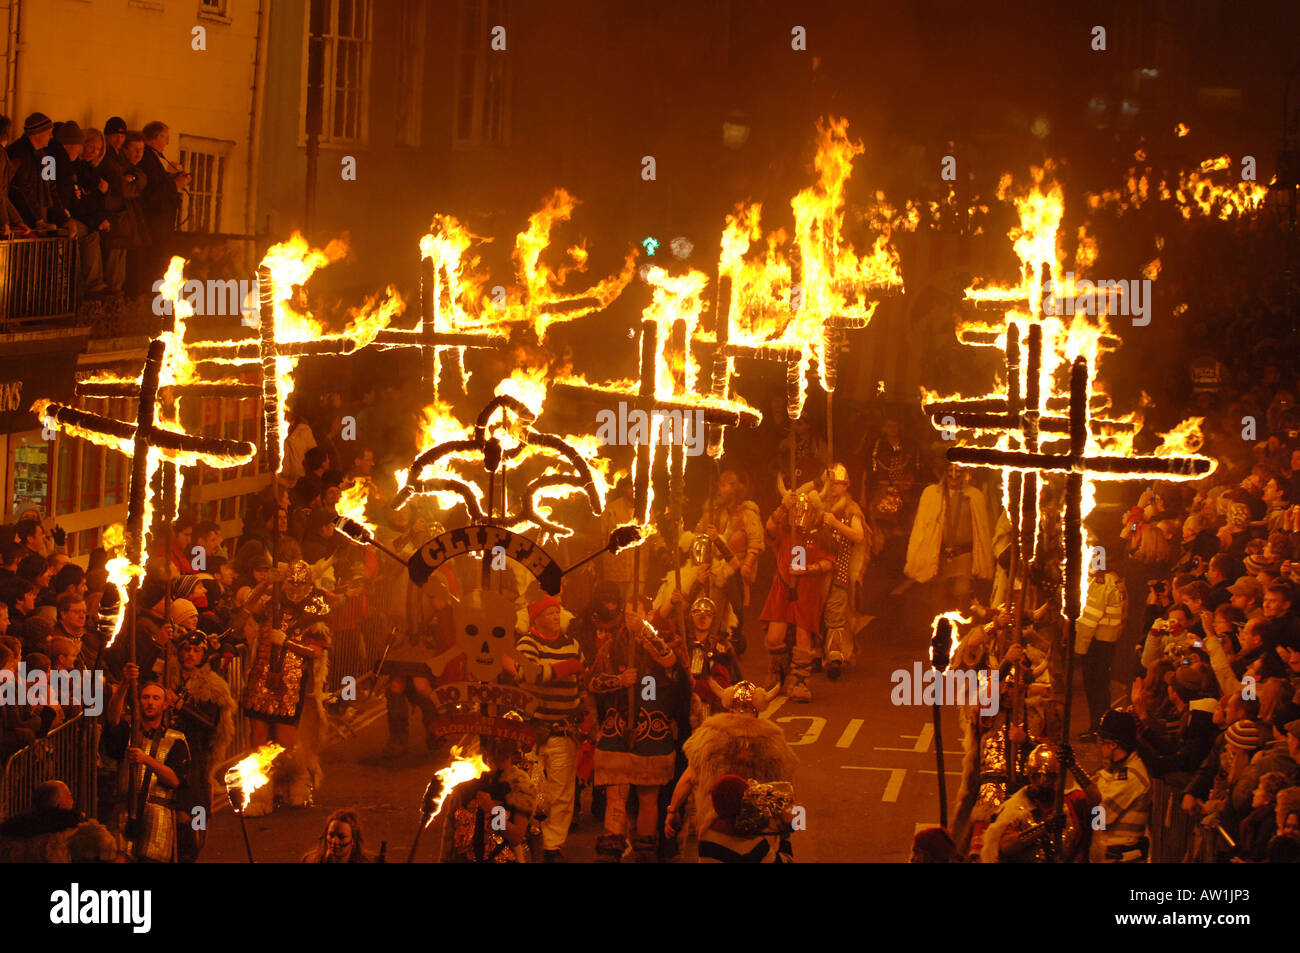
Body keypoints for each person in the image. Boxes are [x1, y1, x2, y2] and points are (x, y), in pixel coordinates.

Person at [588, 599, 681, 862]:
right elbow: (592, 682)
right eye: (628, 612)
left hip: (653, 729)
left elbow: (670, 661)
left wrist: (645, 632)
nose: (632, 617)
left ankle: (645, 853)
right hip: (619, 729)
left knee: (648, 796)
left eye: (637, 612)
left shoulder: (663, 639)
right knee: (616, 794)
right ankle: (610, 850)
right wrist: (619, 680)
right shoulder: (611, 648)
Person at [668, 681, 798, 863]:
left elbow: (688, 779)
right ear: (757, 710)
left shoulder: (709, 736)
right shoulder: (775, 742)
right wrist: (789, 829)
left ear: (730, 708)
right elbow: (786, 789)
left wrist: (672, 810)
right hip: (757, 831)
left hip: (714, 828)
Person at [240, 561, 331, 815]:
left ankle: (296, 781)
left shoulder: (316, 608)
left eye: (301, 583)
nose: (295, 589)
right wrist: (266, 582)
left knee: (285, 742)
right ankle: (261, 792)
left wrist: (288, 642)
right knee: (258, 739)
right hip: (261, 675)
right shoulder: (272, 601)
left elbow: (315, 651)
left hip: (291, 680)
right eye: (291, 582)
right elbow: (248, 604)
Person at [513, 595, 585, 862]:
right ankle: (528, 835)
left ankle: (553, 844)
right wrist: (565, 668)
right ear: (538, 618)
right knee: (530, 788)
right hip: (533, 729)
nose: (556, 616)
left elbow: (582, 676)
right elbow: (528, 673)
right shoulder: (527, 643)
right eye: (551, 612)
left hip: (563, 728)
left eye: (558, 612)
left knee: (561, 792)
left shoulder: (573, 645)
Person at [103, 671, 190, 863]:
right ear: (138, 701)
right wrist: (125, 682)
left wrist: (146, 759)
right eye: (145, 697)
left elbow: (175, 780)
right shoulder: (128, 731)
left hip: (158, 814)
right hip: (124, 809)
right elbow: (112, 720)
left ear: (165, 704)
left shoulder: (176, 740)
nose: (150, 702)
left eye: (156, 698)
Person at [169, 629, 235, 862]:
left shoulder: (213, 686)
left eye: (196, 650)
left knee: (195, 809)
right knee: (174, 811)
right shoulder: (167, 677)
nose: (190, 654)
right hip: (168, 752)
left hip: (196, 754)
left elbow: (210, 724)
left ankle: (193, 852)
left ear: (204, 654)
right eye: (186, 649)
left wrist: (180, 706)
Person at [760, 492, 832, 702]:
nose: (801, 513)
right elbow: (769, 527)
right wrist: (783, 506)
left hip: (807, 591)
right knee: (773, 638)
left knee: (802, 636)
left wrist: (807, 569)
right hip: (782, 590)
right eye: (797, 508)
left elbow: (829, 563)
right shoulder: (785, 531)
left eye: (806, 508)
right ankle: (778, 672)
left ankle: (800, 681)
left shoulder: (820, 535)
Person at [905, 460, 993, 624]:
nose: (953, 476)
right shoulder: (932, 494)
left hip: (964, 556)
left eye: (958, 472)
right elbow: (922, 527)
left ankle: (961, 635)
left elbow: (982, 531)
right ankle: (939, 636)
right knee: (937, 599)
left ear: (964, 474)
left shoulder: (974, 496)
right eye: (950, 472)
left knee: (962, 595)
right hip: (940, 556)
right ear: (943, 473)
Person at [982, 743, 1087, 862]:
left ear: (1058, 777)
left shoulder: (1070, 801)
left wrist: (1073, 765)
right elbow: (1006, 846)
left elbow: (1095, 797)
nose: (1045, 781)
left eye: (1051, 776)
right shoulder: (1015, 809)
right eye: (1038, 776)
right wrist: (1044, 827)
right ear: (1031, 776)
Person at [817, 463, 868, 678]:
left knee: (836, 615)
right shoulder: (818, 506)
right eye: (831, 484)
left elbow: (859, 536)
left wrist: (835, 523)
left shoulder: (851, 509)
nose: (834, 488)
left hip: (840, 571)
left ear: (846, 486)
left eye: (838, 484)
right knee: (816, 614)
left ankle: (835, 656)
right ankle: (815, 654)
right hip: (816, 571)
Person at [1084, 710, 1151, 863]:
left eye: (1101, 740)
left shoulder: (1132, 776)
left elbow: (1099, 819)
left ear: (1113, 744)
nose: (1099, 745)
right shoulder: (1113, 770)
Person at [1075, 564, 1127, 740]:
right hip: (1108, 641)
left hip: (1096, 644)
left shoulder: (1101, 582)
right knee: (1102, 686)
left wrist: (1080, 648)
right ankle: (1102, 727)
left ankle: (1097, 727)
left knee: (1095, 688)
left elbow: (1090, 619)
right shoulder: (1116, 579)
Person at [300, 809, 377, 863]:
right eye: (331, 835)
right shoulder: (309, 860)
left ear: (353, 840)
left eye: (341, 837)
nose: (334, 841)